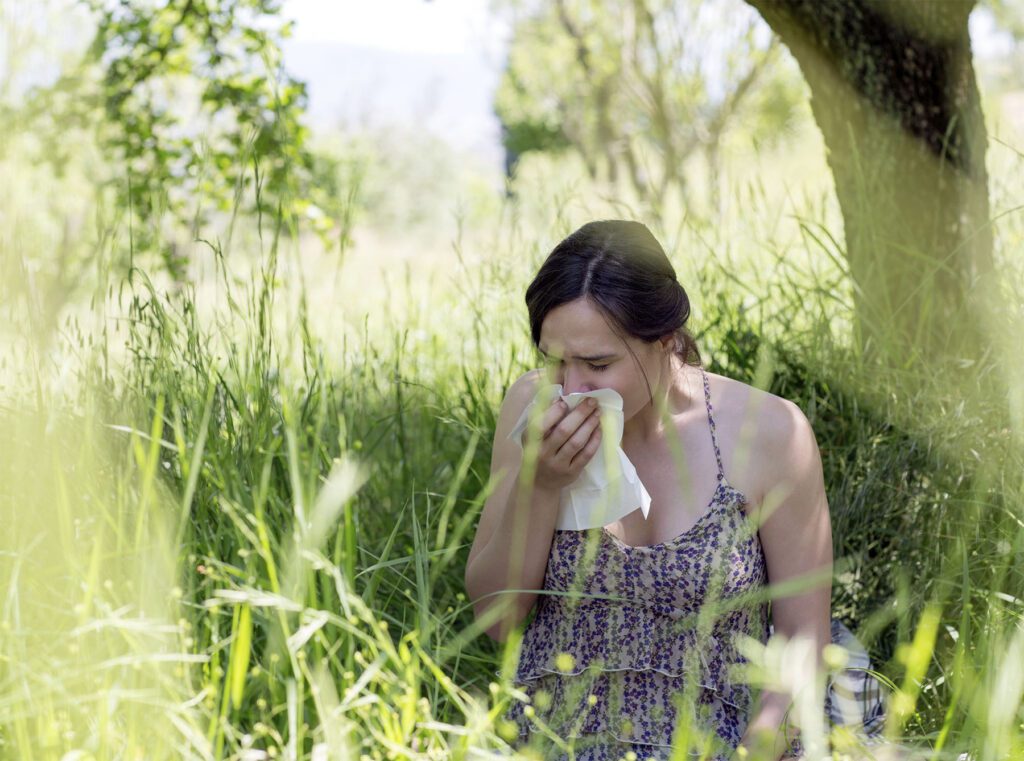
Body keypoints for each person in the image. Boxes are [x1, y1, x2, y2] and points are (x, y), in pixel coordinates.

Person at [464, 220, 867, 760]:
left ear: (667, 340)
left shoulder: (770, 432)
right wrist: (540, 486)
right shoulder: (534, 410)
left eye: (598, 363)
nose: (574, 388)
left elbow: (802, 642)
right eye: (556, 360)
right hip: (558, 739)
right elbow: (496, 620)